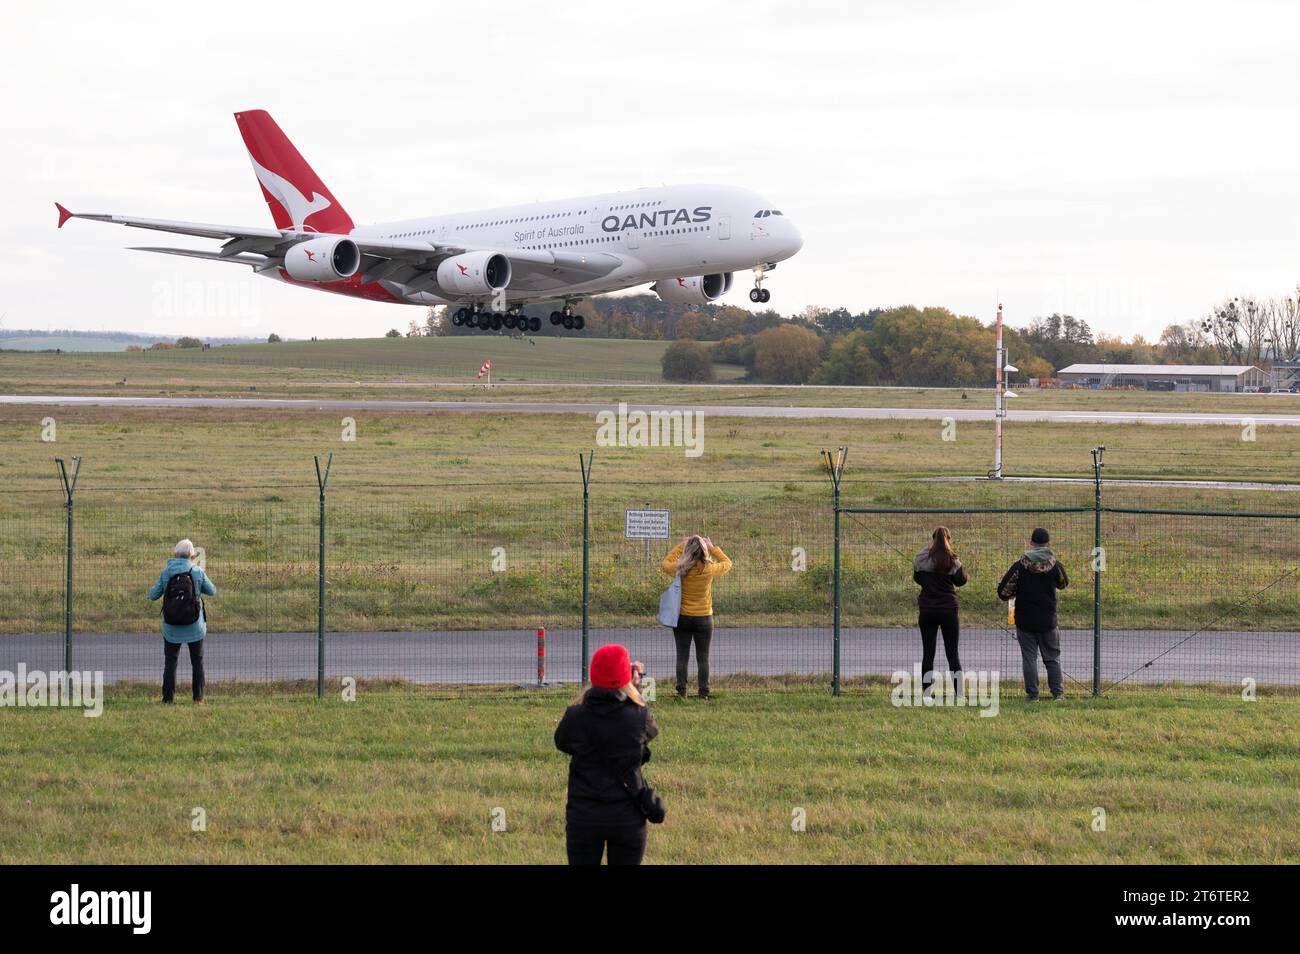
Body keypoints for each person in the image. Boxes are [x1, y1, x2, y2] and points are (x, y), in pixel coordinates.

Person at [554, 644, 660, 865]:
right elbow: (651, 731)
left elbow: (562, 742)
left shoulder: (575, 716)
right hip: (627, 816)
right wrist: (634, 688)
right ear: (627, 677)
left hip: (584, 815)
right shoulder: (639, 717)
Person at [997, 528, 1069, 700]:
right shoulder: (1055, 566)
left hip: (1025, 620)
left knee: (1029, 658)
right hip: (1048, 620)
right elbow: (1063, 584)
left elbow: (1002, 592)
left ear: (1031, 543)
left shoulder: (1020, 566)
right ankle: (1057, 694)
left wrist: (1014, 593)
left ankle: (1033, 695)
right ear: (1047, 543)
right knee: (1052, 658)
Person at [659, 534, 732, 699]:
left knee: (682, 656)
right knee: (703, 658)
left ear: (688, 550)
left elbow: (664, 564)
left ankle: (681, 691)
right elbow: (728, 563)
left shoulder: (680, 568)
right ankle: (703, 693)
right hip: (704, 618)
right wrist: (712, 548)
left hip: (682, 617)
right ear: (704, 551)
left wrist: (680, 546)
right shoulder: (709, 569)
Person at [147, 538, 216, 704]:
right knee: (197, 662)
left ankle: (168, 699)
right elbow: (212, 591)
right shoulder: (197, 571)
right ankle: (198, 698)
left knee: (170, 663)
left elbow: (152, 595)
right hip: (195, 626)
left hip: (171, 627)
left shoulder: (166, 572)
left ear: (175, 554)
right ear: (191, 555)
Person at [912, 526, 967, 693]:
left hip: (927, 610)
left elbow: (918, 579)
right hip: (948, 610)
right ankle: (959, 693)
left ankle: (927, 692)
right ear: (948, 540)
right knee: (953, 655)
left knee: (928, 653)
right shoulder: (952, 560)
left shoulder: (921, 558)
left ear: (932, 539)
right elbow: (961, 581)